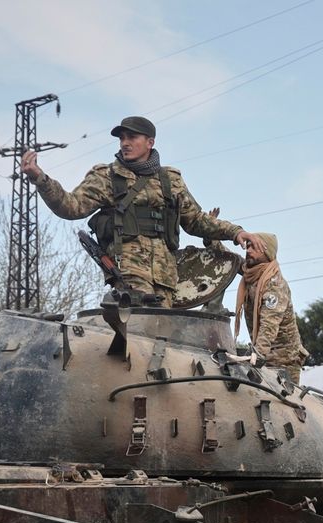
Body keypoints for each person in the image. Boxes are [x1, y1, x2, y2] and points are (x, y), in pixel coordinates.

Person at [20, 115, 256, 306]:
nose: (125, 143)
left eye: (132, 137)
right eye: (122, 138)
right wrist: (40, 179)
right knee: (139, 331)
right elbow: (71, 207)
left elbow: (195, 220)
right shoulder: (107, 177)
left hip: (165, 277)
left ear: (150, 142)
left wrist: (234, 232)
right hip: (129, 274)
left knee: (161, 335)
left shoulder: (170, 180)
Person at [234, 232, 306, 384]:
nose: (248, 250)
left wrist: (257, 356)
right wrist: (213, 241)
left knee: (280, 399)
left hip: (283, 362)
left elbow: (269, 325)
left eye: (254, 247)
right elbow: (232, 260)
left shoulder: (274, 285)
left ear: (267, 252)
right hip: (264, 357)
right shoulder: (252, 272)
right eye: (247, 246)